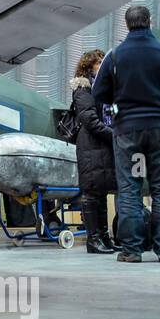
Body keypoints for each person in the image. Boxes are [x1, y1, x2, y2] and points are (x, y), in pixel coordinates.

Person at [92, 5, 160, 263]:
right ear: (150, 21)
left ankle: (132, 250)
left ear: (126, 25)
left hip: (128, 133)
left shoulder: (114, 56)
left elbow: (98, 94)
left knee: (129, 190)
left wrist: (116, 109)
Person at [69, 49, 118, 254]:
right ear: (89, 66)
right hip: (90, 146)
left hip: (103, 145)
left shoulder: (104, 87)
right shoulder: (83, 88)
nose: (102, 66)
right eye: (99, 63)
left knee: (102, 192)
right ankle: (93, 239)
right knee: (91, 193)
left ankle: (104, 236)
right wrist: (114, 135)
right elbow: (89, 119)